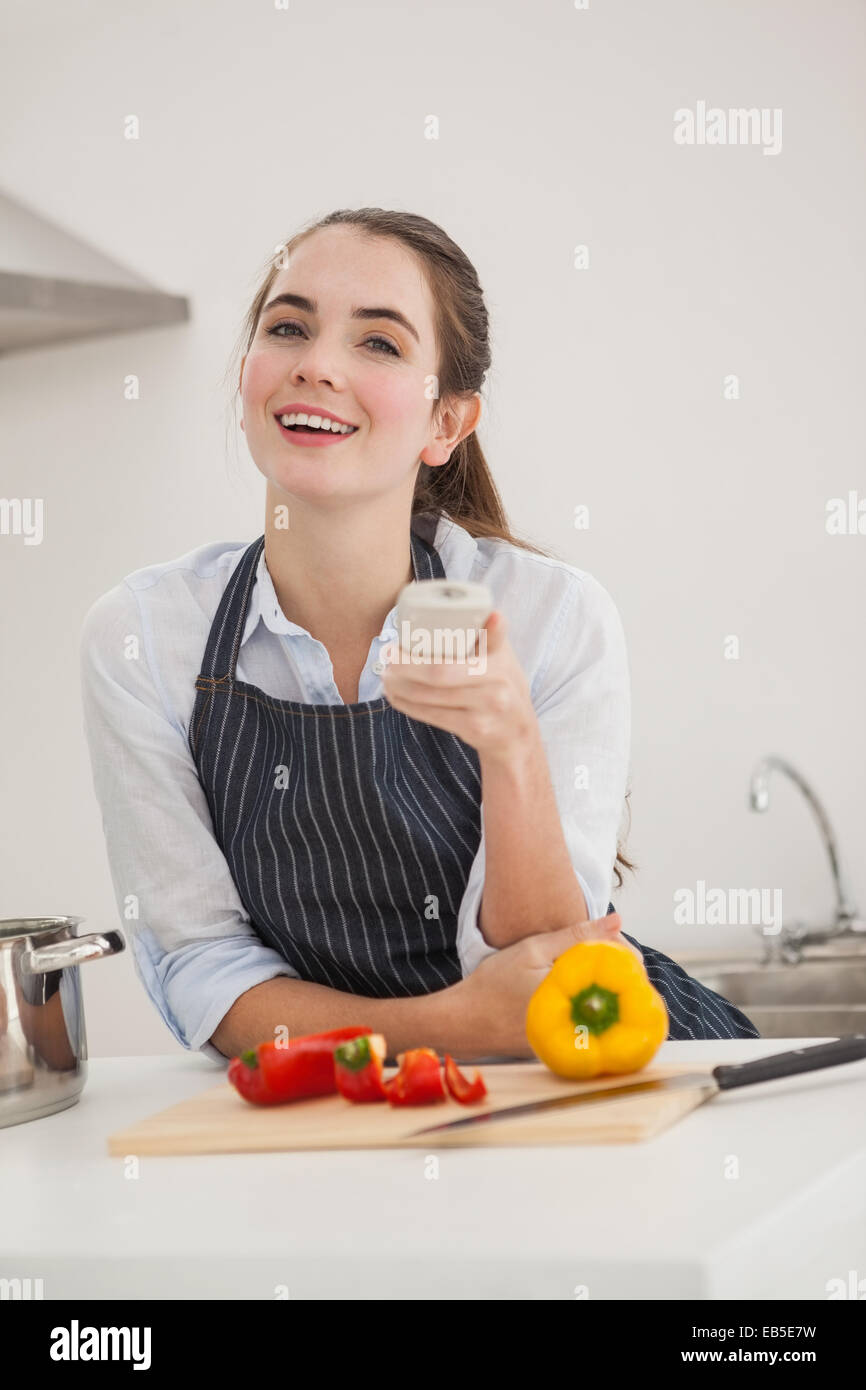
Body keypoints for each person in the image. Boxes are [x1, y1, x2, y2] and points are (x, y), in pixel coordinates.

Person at [79, 207, 758, 1064]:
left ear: (448, 424)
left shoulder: (554, 617)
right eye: (288, 327)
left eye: (380, 344)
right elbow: (204, 970)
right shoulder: (145, 637)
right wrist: (448, 1031)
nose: (317, 366)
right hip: (358, 1096)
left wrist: (510, 744)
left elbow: (544, 968)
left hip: (591, 1063)